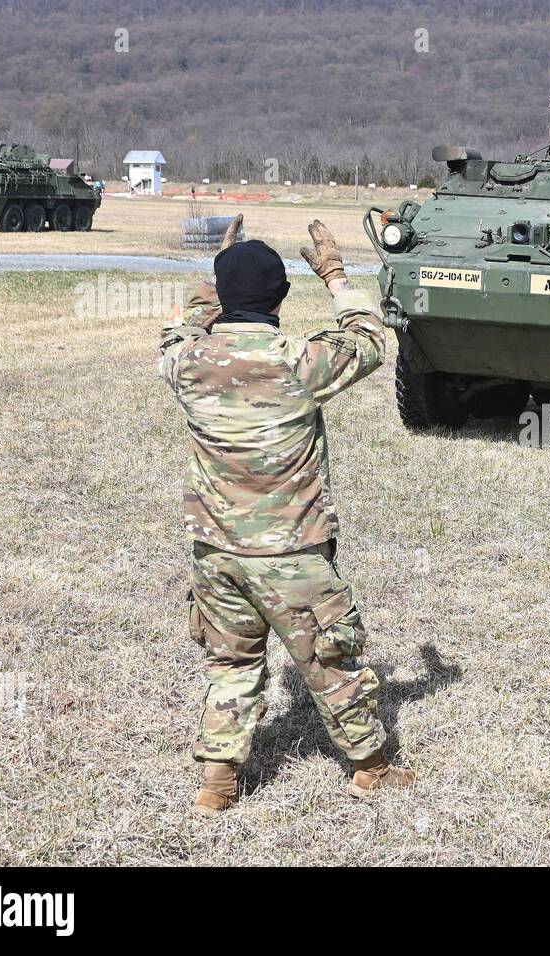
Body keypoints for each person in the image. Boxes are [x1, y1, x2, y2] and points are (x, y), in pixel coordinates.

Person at [159, 215, 414, 817]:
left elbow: (176, 332)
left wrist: (212, 280)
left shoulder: (187, 363)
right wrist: (335, 275)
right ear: (281, 297)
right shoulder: (297, 361)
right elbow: (371, 339)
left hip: (216, 556)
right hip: (292, 553)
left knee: (231, 665)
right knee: (331, 661)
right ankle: (372, 770)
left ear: (222, 298)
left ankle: (216, 786)